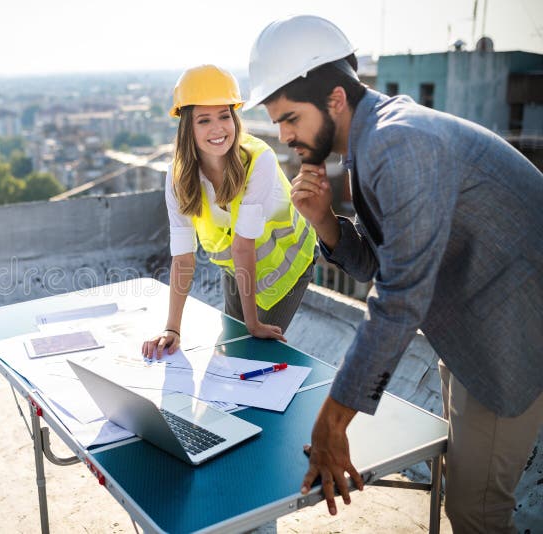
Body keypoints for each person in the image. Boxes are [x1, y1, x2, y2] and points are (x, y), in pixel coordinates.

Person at [244, 14, 543, 533]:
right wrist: (325, 223)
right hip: (470, 329)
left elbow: (399, 298)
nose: (284, 135)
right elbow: (382, 262)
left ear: (335, 98)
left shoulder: (399, 143)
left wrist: (333, 419)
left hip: (513, 335)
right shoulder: (372, 143)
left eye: (290, 118)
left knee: (476, 511)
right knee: (467, 495)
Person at [141, 64, 317, 359]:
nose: (218, 128)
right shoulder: (178, 177)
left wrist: (253, 324)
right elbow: (183, 258)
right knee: (230, 352)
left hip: (288, 264)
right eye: (204, 120)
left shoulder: (258, 160)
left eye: (224, 116)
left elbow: (243, 245)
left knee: (254, 353)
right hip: (238, 269)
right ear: (187, 128)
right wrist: (172, 329)